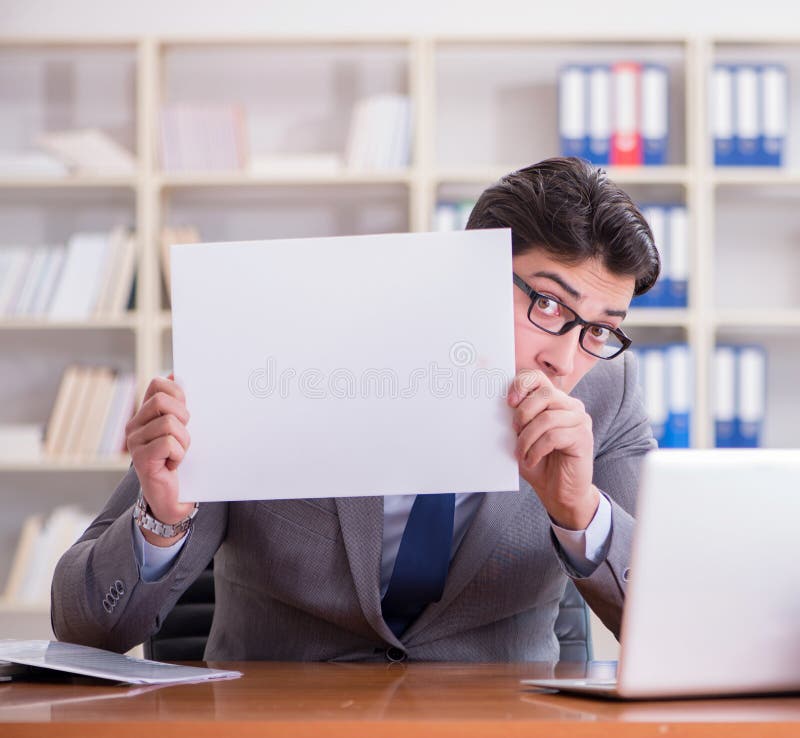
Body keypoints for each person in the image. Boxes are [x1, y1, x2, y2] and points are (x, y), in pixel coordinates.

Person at [51, 157, 659, 662]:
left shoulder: (608, 393)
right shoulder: (269, 354)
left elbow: (670, 629)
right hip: (280, 718)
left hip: (496, 719)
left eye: (600, 330)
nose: (565, 360)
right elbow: (85, 629)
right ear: (465, 270)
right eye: (550, 305)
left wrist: (582, 515)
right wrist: (162, 519)